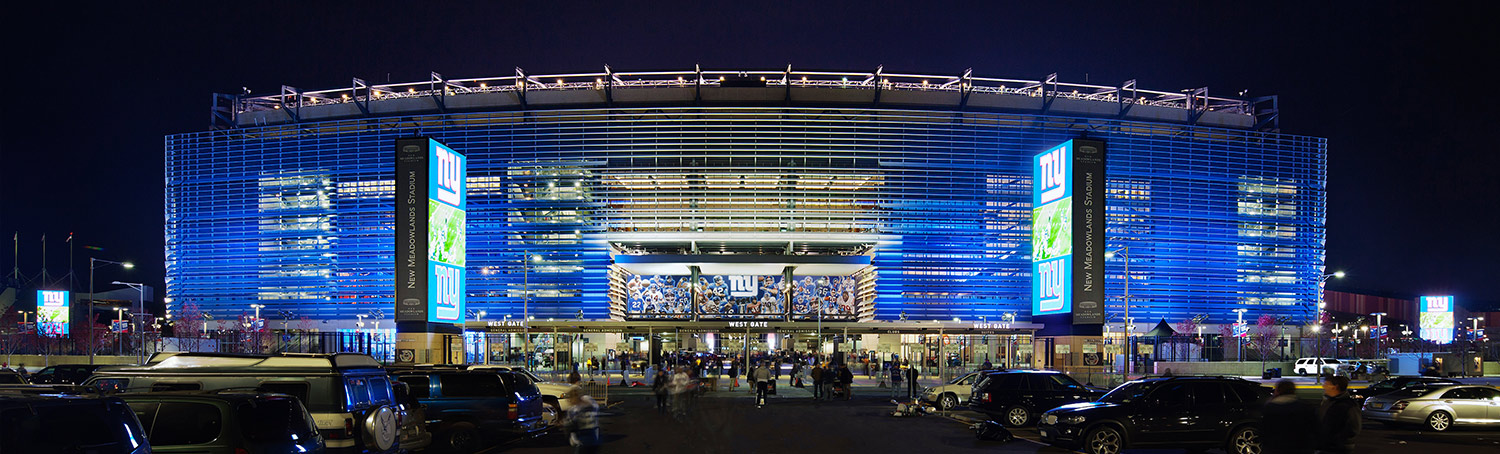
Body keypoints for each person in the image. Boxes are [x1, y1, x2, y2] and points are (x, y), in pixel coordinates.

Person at [1317, 376, 1360, 454]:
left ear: (1335, 387)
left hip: (1338, 448)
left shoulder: (1348, 405)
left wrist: (1335, 441)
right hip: (1326, 446)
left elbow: (1353, 428)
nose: (1323, 386)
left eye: (1326, 384)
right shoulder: (1328, 402)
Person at [561, 386, 601, 454]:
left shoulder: (574, 410)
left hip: (582, 440)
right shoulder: (590, 402)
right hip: (594, 437)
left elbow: (569, 424)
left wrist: (564, 424)